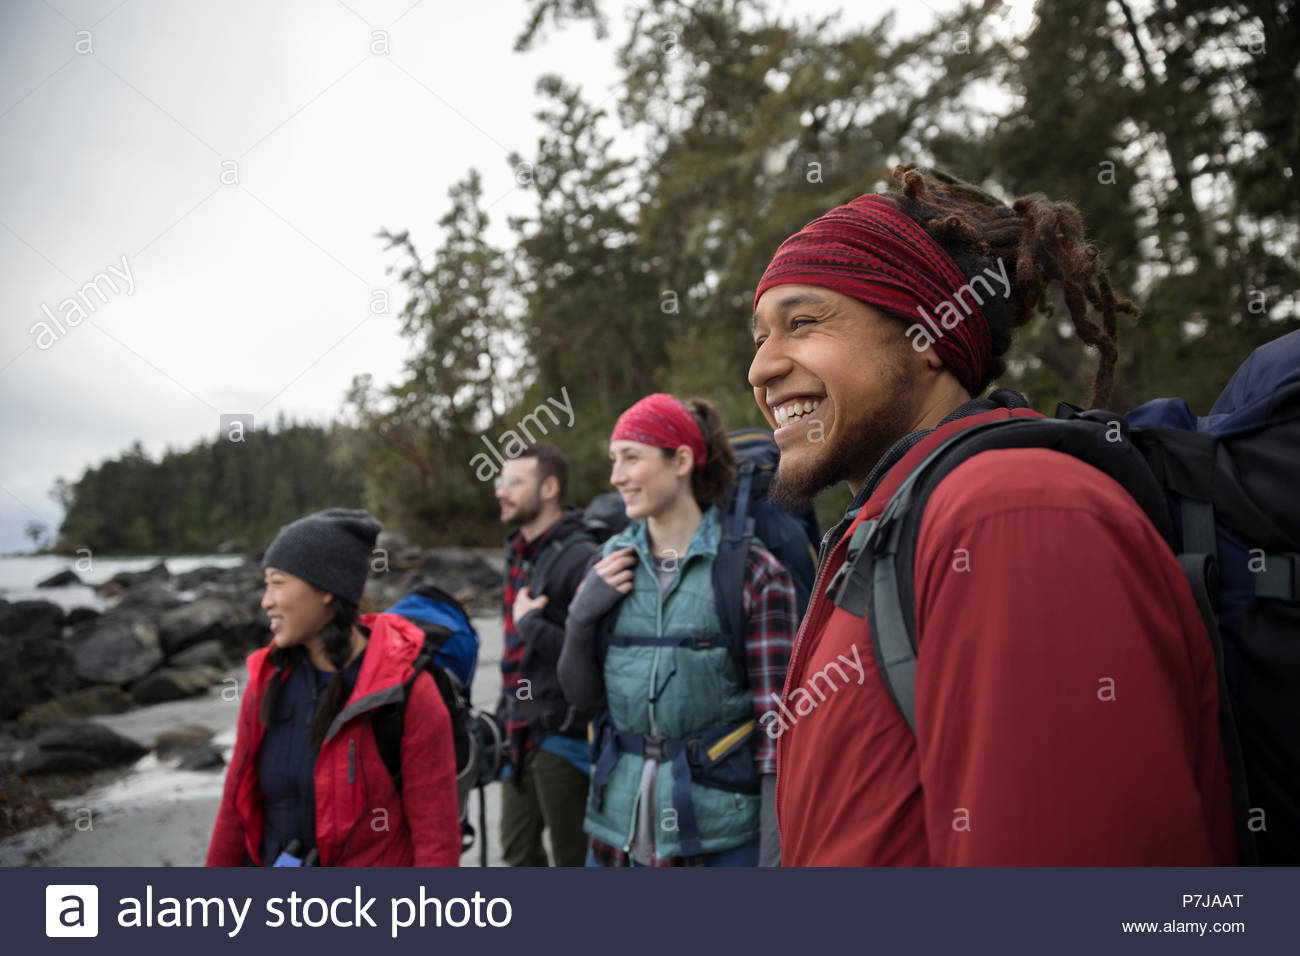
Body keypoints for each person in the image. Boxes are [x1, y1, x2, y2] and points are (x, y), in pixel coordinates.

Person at [747, 165, 1238, 865]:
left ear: (929, 337)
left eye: (802, 322)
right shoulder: (892, 527)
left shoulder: (1011, 512)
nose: (760, 369)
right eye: (759, 337)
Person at [559, 393, 796, 866]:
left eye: (631, 457)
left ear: (682, 459)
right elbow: (580, 697)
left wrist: (774, 855)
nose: (616, 477)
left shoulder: (754, 574)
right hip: (614, 836)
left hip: (721, 842)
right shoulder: (607, 567)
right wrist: (580, 618)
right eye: (613, 460)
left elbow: (781, 733)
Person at [206, 508, 461, 866]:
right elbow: (234, 811)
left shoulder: (408, 694)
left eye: (278, 583)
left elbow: (437, 843)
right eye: (266, 585)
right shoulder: (266, 683)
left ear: (326, 590)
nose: (266, 601)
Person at [496, 444, 599, 867]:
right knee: (518, 855)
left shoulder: (582, 557)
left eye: (514, 482)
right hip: (517, 728)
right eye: (500, 482)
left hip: (562, 733)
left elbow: (595, 654)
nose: (501, 492)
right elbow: (514, 653)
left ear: (550, 487)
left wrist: (532, 626)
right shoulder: (518, 551)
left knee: (574, 861)